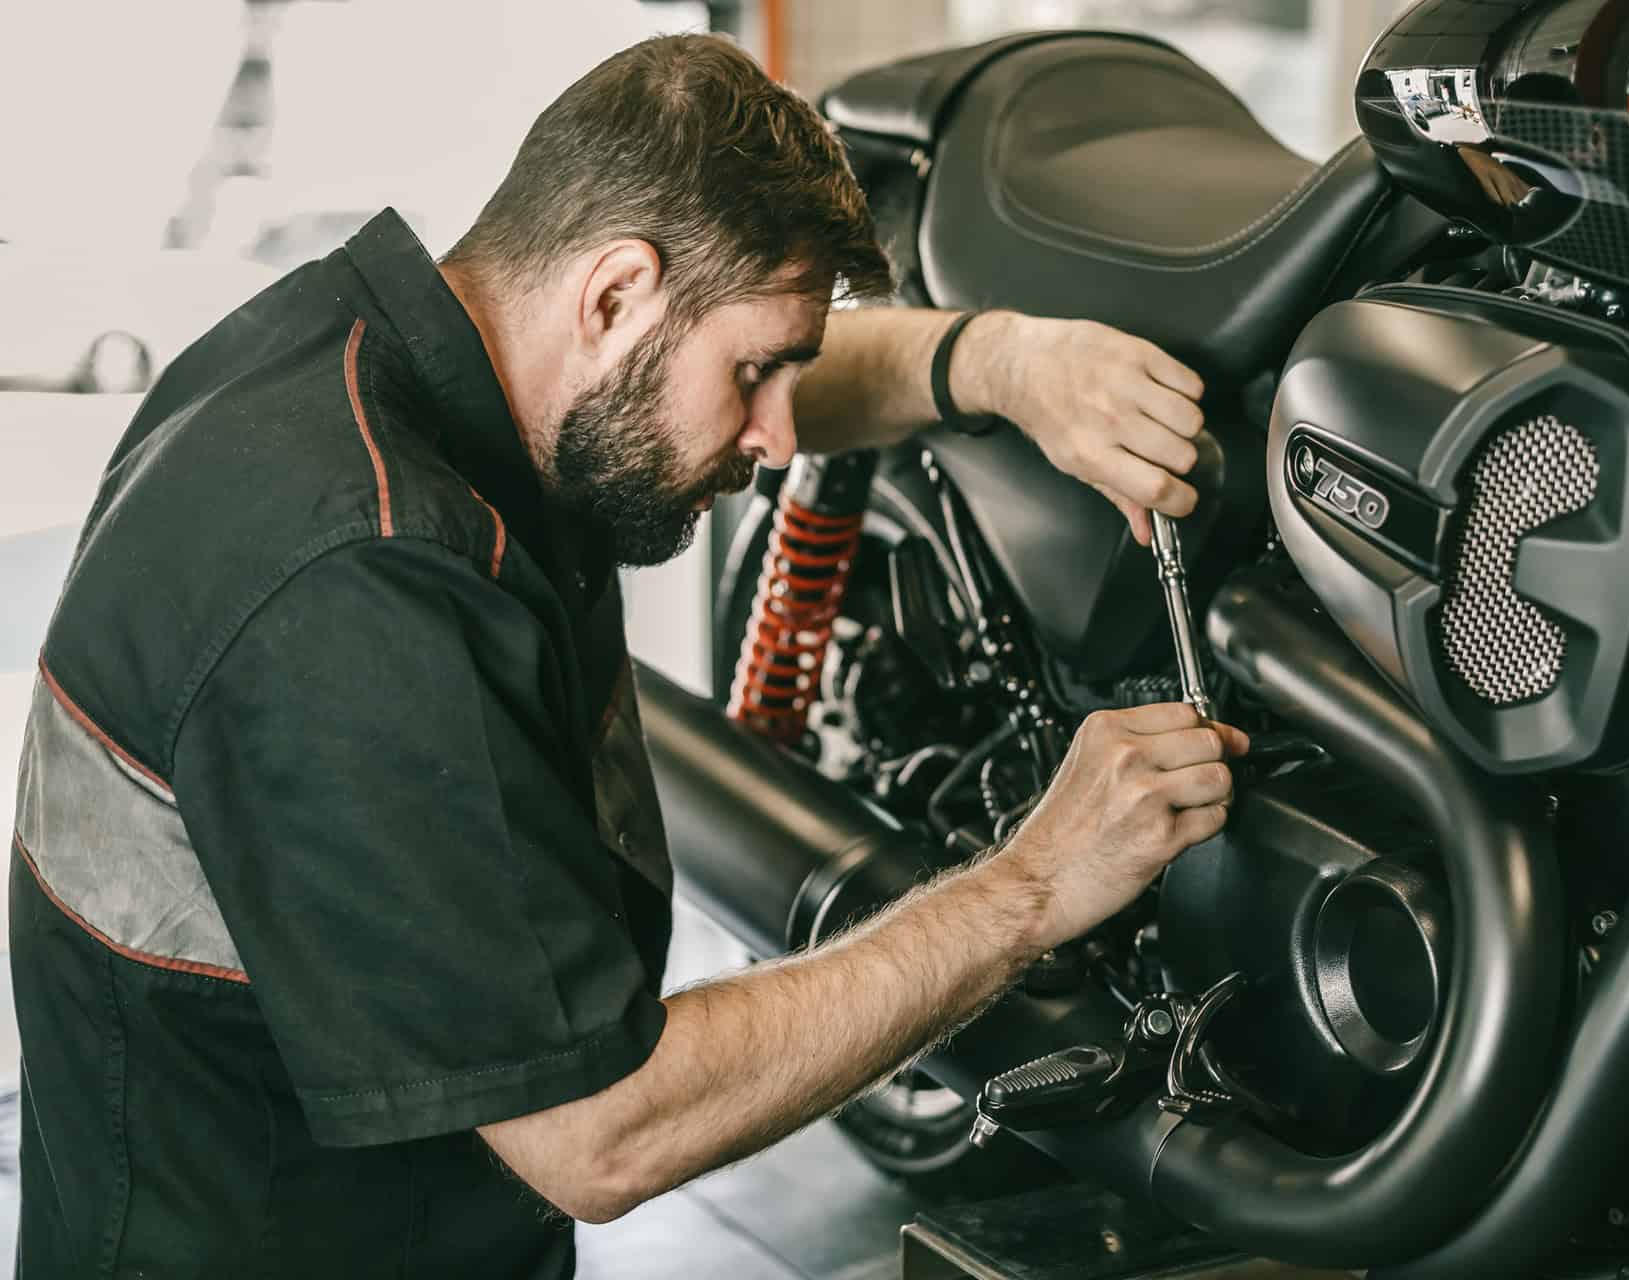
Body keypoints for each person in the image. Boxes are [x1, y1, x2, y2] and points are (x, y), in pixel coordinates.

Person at [9, 33, 1244, 1278]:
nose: (776, 434)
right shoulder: (364, 579)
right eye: (755, 373)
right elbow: (603, 1130)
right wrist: (1034, 880)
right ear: (612, 294)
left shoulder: (359, 350)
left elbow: (747, 366)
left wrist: (999, 359)